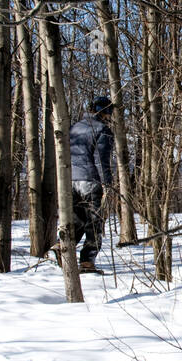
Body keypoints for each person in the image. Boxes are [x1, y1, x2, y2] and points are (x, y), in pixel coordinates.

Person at [68, 96, 115, 273]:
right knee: (95, 222)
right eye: (110, 112)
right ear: (105, 112)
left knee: (77, 220)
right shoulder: (103, 130)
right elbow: (101, 159)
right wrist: (107, 183)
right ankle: (87, 262)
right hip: (90, 180)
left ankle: (61, 248)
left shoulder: (74, 127)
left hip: (70, 180)